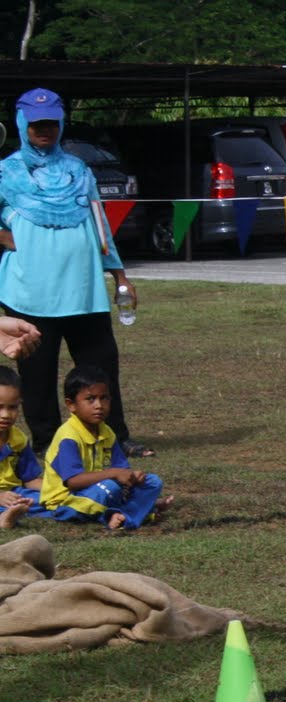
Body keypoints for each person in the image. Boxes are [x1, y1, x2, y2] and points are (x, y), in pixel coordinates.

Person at [0, 88, 151, 457]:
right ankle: (47, 441)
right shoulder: (6, 172)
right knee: (36, 373)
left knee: (102, 367)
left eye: (51, 122)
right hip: (29, 292)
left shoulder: (78, 170)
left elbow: (99, 225)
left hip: (83, 290)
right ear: (22, 124)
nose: (44, 130)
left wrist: (120, 276)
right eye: (36, 124)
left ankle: (113, 435)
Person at [40, 365, 170, 531]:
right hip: (66, 502)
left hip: (98, 491)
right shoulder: (68, 437)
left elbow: (121, 471)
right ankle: (136, 513)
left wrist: (133, 477)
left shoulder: (107, 433)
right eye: (90, 399)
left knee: (152, 482)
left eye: (104, 398)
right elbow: (73, 481)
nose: (99, 405)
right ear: (71, 404)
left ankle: (123, 515)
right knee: (109, 487)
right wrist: (115, 474)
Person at [0, 364, 45, 528]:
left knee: (47, 500)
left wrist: (53, 489)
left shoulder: (18, 440)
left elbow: (30, 478)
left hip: (15, 494)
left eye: (12, 408)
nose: (5, 415)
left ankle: (13, 512)